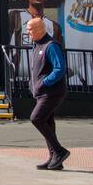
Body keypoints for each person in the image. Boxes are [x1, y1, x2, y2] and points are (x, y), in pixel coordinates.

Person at [26, 15, 70, 171]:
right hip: (42, 93)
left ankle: (59, 151)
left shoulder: (51, 45)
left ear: (39, 29)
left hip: (52, 92)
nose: (28, 32)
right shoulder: (37, 45)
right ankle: (54, 158)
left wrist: (44, 83)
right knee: (48, 123)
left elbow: (60, 69)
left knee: (36, 118)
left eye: (30, 29)